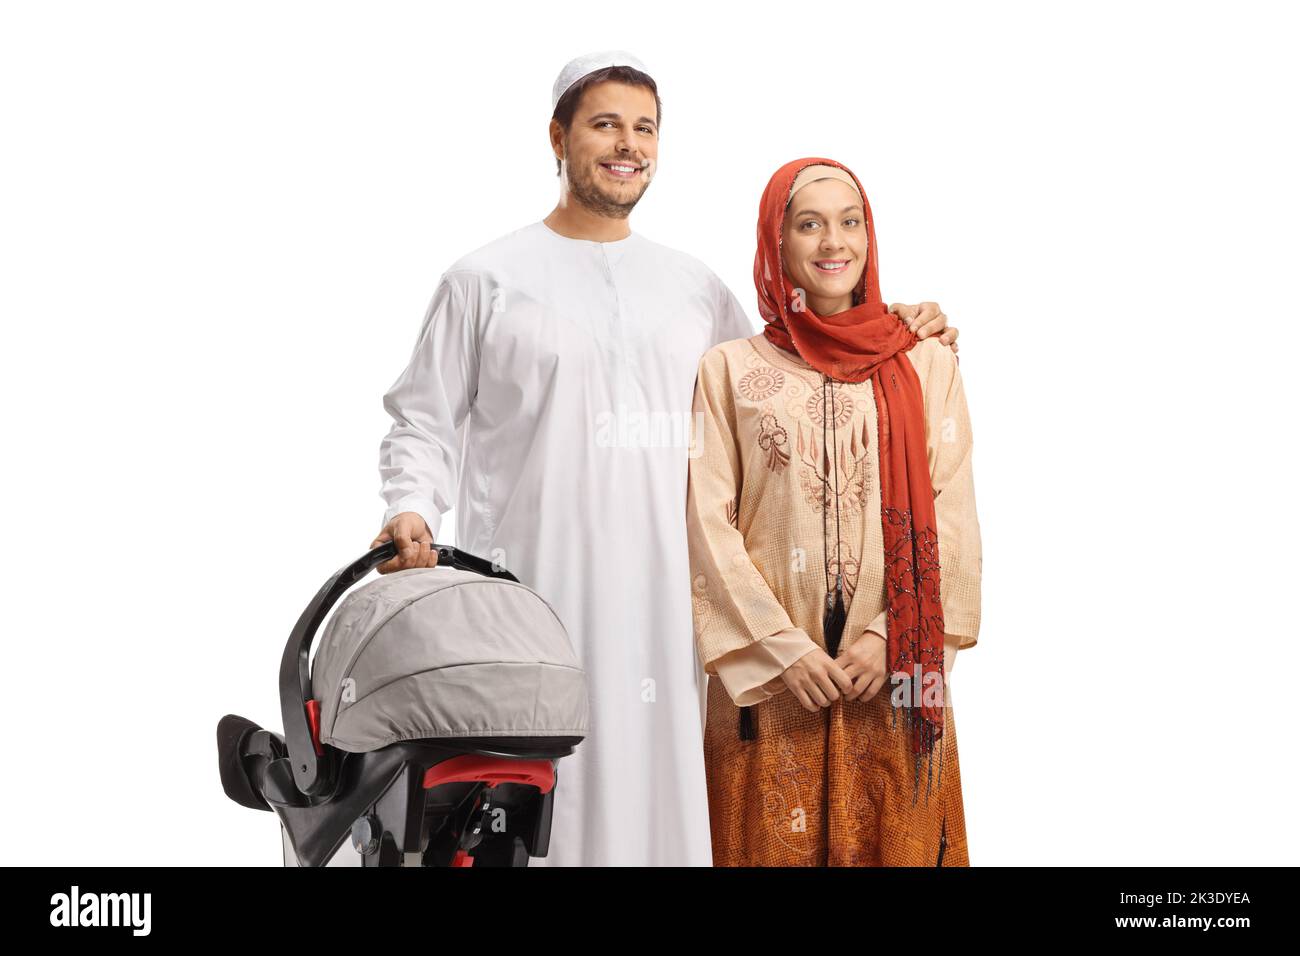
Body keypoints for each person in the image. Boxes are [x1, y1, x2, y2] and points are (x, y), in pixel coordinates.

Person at [372, 54, 959, 866]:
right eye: (605, 124)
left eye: (644, 128)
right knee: (540, 795)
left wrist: (892, 323)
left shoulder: (695, 289)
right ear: (558, 137)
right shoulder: (484, 280)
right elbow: (422, 420)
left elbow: (795, 354)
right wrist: (410, 505)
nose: (628, 145)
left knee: (665, 795)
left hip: (669, 606)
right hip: (535, 593)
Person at [686, 158, 981, 866]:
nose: (832, 242)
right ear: (776, 243)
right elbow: (707, 522)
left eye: (850, 222)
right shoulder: (728, 369)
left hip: (895, 673)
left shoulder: (924, 362)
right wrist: (781, 650)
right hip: (769, 683)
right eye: (808, 224)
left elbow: (954, 514)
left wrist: (889, 634)